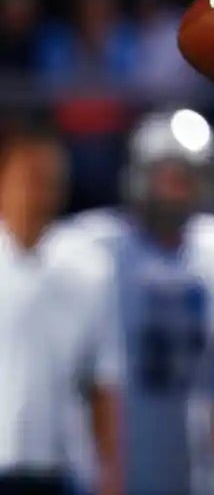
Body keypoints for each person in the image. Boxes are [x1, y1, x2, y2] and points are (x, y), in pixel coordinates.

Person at [55, 109, 214, 495]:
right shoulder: (90, 250)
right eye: (168, 177)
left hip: (195, 464)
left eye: (187, 178)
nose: (177, 190)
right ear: (140, 175)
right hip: (113, 458)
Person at [0, 118, 121, 495]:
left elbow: (104, 381)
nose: (41, 192)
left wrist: (112, 475)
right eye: (31, 177)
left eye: (52, 180)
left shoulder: (89, 266)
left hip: (62, 471)